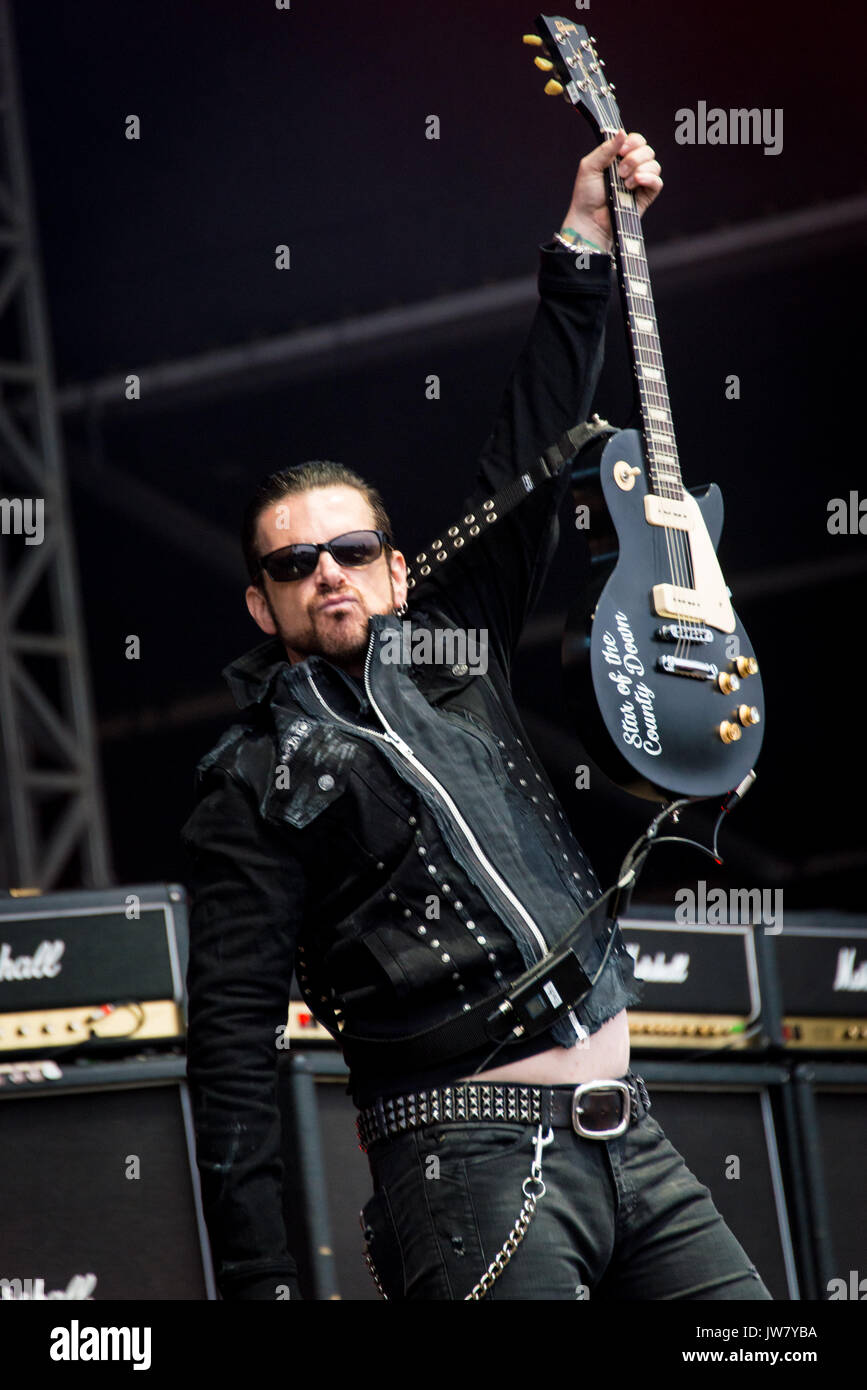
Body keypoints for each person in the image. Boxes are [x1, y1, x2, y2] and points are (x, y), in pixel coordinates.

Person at [181, 130, 772, 1300]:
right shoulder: (247, 780)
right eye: (297, 565)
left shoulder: (455, 646)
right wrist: (262, 1284)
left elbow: (532, 450)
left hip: (636, 1140)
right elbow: (234, 1052)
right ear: (262, 601)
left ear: (397, 571)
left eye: (353, 550)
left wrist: (588, 236)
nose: (330, 574)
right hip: (467, 1162)